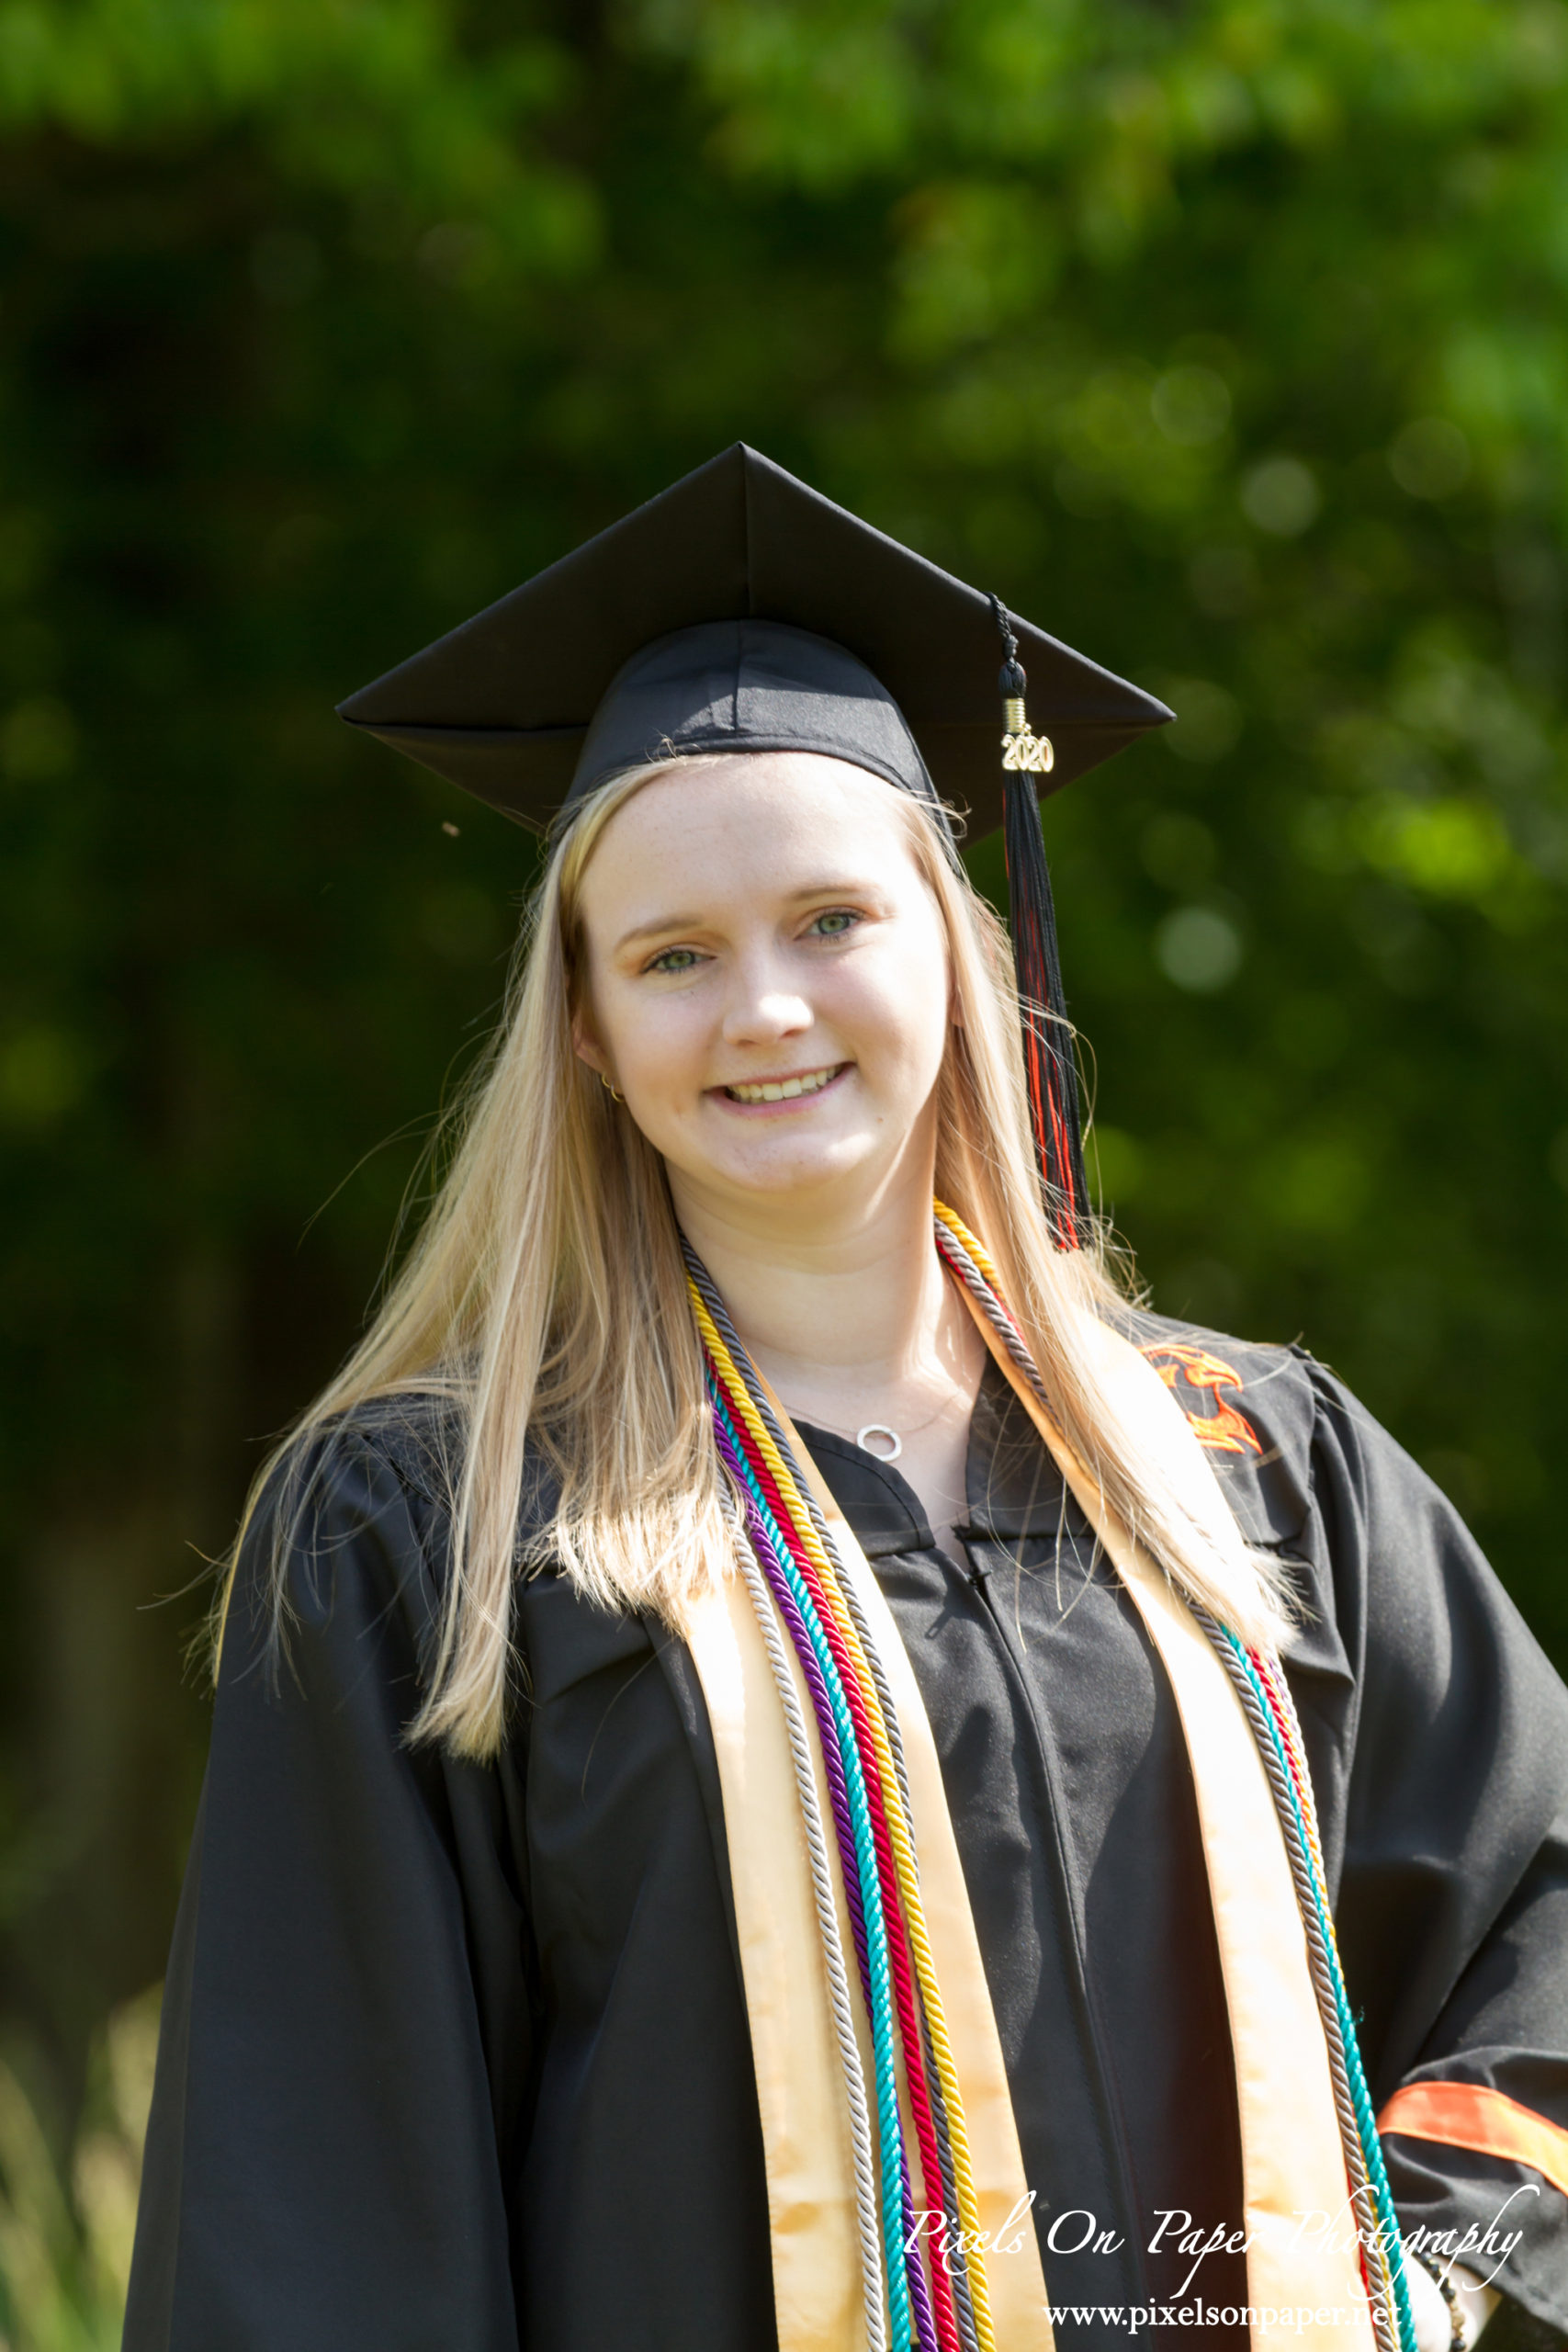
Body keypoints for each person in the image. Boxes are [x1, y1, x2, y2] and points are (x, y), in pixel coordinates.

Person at [124, 447, 1568, 2352]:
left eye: (829, 919)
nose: (765, 1009)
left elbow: (1528, 1902)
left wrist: (1448, 2266)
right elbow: (316, 2203)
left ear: (955, 949)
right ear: (585, 1025)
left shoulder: (1244, 1466)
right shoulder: (438, 1527)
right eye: (672, 955)